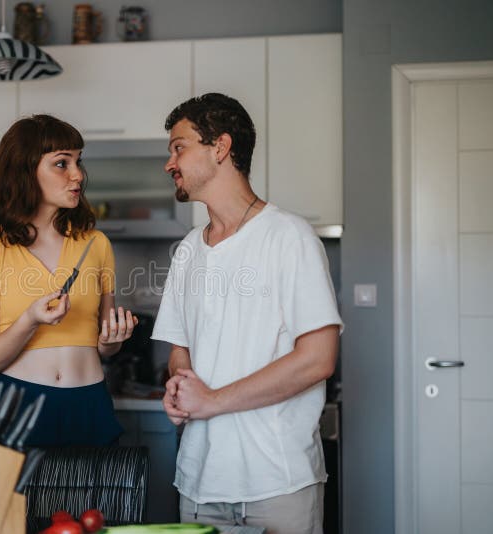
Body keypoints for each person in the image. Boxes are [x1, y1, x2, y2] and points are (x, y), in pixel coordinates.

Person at [152, 94, 342, 533]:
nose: (169, 163)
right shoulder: (187, 251)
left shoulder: (289, 237)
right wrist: (179, 390)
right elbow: (180, 350)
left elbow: (318, 359)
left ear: (219, 147)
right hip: (198, 485)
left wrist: (213, 401)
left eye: (178, 147)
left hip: (277, 486)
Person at [0, 114, 138, 447]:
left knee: (94, 501)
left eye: (78, 162)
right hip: (15, 405)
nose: (78, 175)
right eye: (61, 163)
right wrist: (29, 320)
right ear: (25, 171)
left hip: (89, 403)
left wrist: (114, 339)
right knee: (16, 502)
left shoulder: (96, 244)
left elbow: (105, 346)